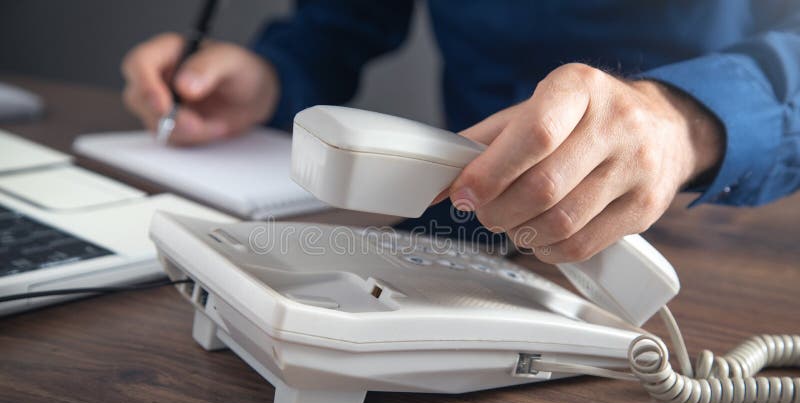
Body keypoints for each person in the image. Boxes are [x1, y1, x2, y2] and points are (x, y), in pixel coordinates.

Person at [121, 1, 800, 263]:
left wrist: (686, 120)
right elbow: (342, 22)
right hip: (459, 215)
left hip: (698, 218)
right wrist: (274, 73)